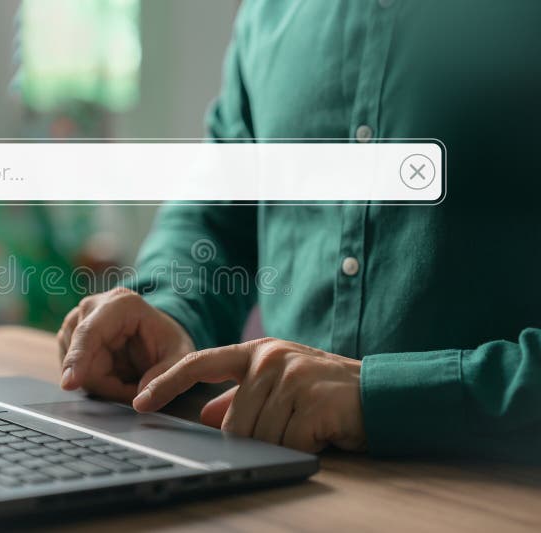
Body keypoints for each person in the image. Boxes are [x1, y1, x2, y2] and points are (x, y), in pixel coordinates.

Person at [57, 0, 541, 461]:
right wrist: (167, 309)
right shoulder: (269, 12)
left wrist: (383, 397)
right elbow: (218, 217)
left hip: (499, 496)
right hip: (277, 471)